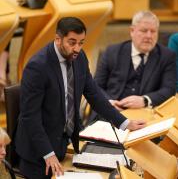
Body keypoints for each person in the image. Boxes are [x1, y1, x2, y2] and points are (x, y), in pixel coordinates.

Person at [15, 17, 146, 179]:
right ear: (58, 39)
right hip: (37, 153)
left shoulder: (79, 58)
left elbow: (94, 94)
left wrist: (125, 123)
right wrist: (48, 154)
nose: (77, 48)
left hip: (64, 144)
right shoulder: (38, 66)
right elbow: (30, 117)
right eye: (72, 42)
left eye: (81, 42)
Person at [94, 10, 176, 113]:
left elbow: (169, 89)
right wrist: (108, 102)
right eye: (144, 31)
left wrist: (145, 100)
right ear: (132, 31)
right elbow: (96, 86)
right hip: (110, 113)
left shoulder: (166, 56)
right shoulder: (112, 52)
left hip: (144, 114)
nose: (149, 36)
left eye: (153, 31)